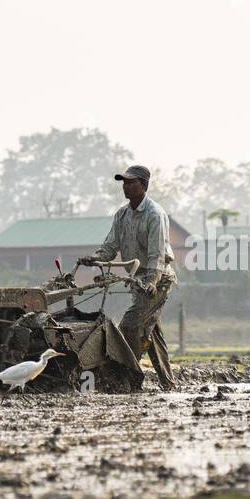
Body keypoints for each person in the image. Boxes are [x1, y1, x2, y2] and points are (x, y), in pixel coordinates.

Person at [79, 165, 177, 391]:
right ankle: (168, 385)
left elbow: (157, 254)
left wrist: (151, 282)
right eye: (123, 182)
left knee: (130, 326)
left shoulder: (155, 214)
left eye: (131, 182)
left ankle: (129, 378)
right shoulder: (122, 215)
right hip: (138, 280)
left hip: (158, 280)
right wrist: (94, 259)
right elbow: (110, 246)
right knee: (151, 332)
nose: (125, 187)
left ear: (144, 185)